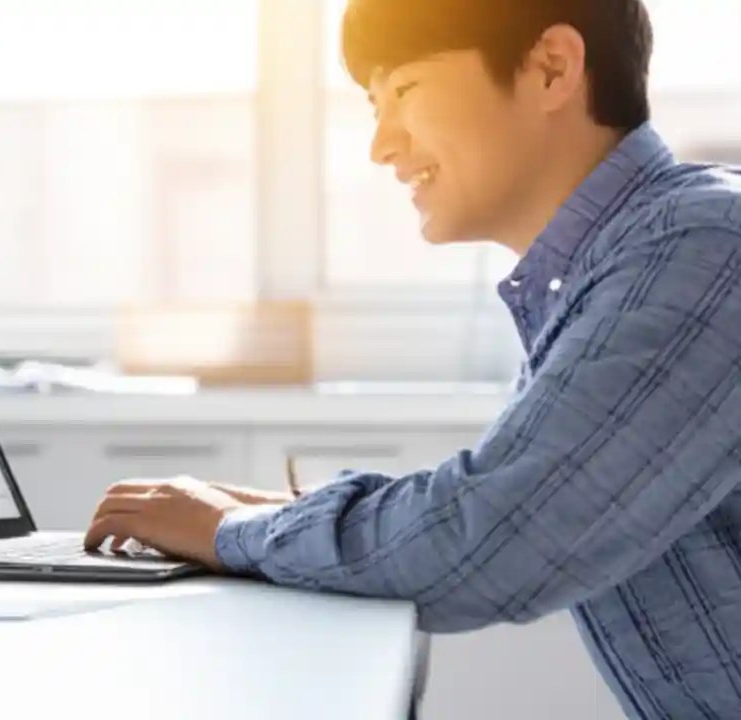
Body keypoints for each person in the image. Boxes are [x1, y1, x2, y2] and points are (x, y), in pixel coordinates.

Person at [83, 0, 741, 716]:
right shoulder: (619, 269)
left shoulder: (702, 250)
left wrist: (229, 532)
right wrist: (273, 516)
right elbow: (501, 498)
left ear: (552, 68)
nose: (382, 145)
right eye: (374, 103)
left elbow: (487, 541)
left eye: (404, 91)